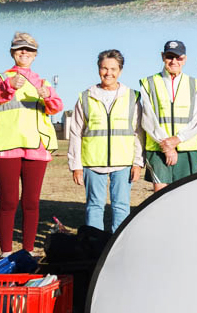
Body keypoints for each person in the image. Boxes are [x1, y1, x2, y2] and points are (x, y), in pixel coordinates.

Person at [68, 50, 174, 233]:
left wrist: (137, 163)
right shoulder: (85, 97)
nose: (108, 73)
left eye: (113, 69)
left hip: (123, 163)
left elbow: (138, 133)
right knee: (94, 206)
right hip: (92, 162)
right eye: (104, 68)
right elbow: (76, 133)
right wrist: (76, 165)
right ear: (98, 69)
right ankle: (95, 247)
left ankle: (118, 245)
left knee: (121, 206)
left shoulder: (132, 97)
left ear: (120, 70)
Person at [0, 32, 62, 256]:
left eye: (28, 50)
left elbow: (56, 107)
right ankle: (6, 253)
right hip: (5, 148)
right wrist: (9, 86)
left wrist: (47, 95)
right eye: (20, 49)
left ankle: (27, 251)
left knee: (31, 203)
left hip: (36, 150)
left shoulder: (43, 82)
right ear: (12, 52)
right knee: (8, 202)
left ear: (35, 55)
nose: (24, 53)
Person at [139, 41, 197, 191]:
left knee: (184, 195)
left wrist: (177, 139)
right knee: (160, 196)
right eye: (169, 56)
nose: (174, 61)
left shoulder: (194, 84)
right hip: (158, 148)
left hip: (186, 149)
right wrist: (167, 147)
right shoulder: (149, 83)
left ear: (185, 59)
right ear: (163, 57)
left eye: (178, 57)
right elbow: (148, 118)